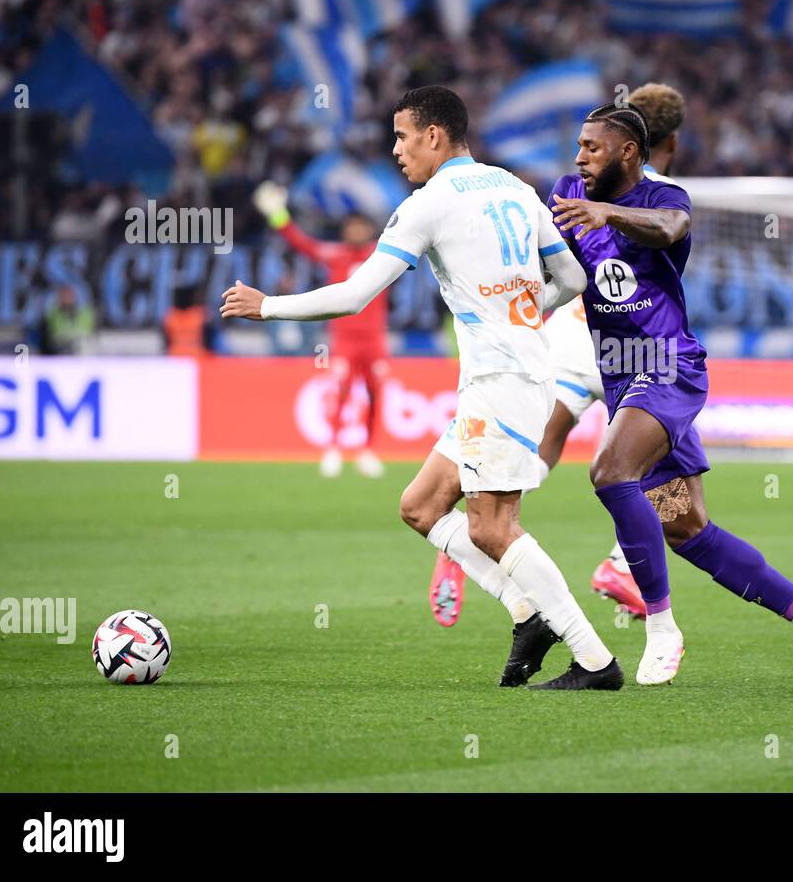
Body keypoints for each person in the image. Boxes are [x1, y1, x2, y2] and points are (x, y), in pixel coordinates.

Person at [222, 85, 622, 690]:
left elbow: (357, 295)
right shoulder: (515, 188)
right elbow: (571, 276)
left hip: (501, 382)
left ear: (433, 135)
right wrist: (522, 313)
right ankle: (525, 613)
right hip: (512, 374)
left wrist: (268, 305)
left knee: (493, 526)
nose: (396, 148)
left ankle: (595, 660)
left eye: (402, 136)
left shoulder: (428, 204)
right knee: (421, 506)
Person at [547, 103, 793, 687]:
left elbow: (669, 231)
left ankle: (660, 629)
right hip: (621, 379)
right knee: (686, 527)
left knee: (612, 473)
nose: (580, 156)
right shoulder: (567, 192)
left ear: (628, 152)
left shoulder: (667, 199)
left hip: (668, 368)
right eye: (579, 146)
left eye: (592, 146)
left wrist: (604, 214)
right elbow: (544, 254)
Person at [537, 83, 687, 620]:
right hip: (642, 353)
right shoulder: (658, 193)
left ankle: (487, 522)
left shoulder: (607, 192)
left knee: (547, 443)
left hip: (581, 340)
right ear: (672, 139)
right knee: (656, 481)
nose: (582, 156)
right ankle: (624, 565)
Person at [252, 184, 388, 478]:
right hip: (345, 339)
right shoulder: (334, 254)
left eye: (361, 227)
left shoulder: (380, 255)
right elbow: (299, 242)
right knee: (341, 391)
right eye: (352, 227)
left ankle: (367, 450)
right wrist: (278, 215)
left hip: (374, 340)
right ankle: (334, 448)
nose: (356, 232)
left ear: (368, 229)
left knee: (376, 393)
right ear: (345, 230)